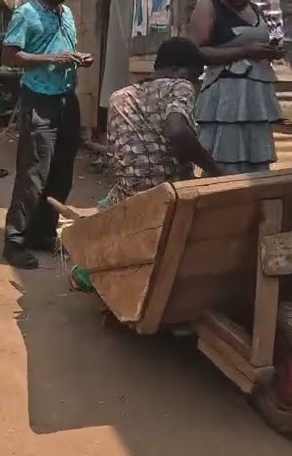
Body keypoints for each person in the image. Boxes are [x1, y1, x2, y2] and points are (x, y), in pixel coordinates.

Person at [70, 38, 221, 291]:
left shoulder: (119, 97)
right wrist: (214, 169)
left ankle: (87, 272)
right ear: (177, 70)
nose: (194, 83)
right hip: (171, 191)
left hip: (130, 191)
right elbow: (177, 132)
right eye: (194, 77)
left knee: (109, 206)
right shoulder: (179, 87)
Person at [1, 0, 94, 269]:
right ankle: (14, 241)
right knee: (34, 173)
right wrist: (53, 60)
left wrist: (77, 57)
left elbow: (61, 47)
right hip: (39, 99)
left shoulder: (66, 12)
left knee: (62, 171)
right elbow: (10, 56)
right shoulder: (26, 14)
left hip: (67, 98)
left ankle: (43, 233)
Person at [189, 0, 284, 175]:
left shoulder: (256, 10)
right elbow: (195, 52)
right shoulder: (209, 6)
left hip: (255, 94)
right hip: (227, 96)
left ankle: (254, 203)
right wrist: (245, 51)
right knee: (225, 157)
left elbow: (254, 48)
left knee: (256, 158)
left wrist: (270, 51)